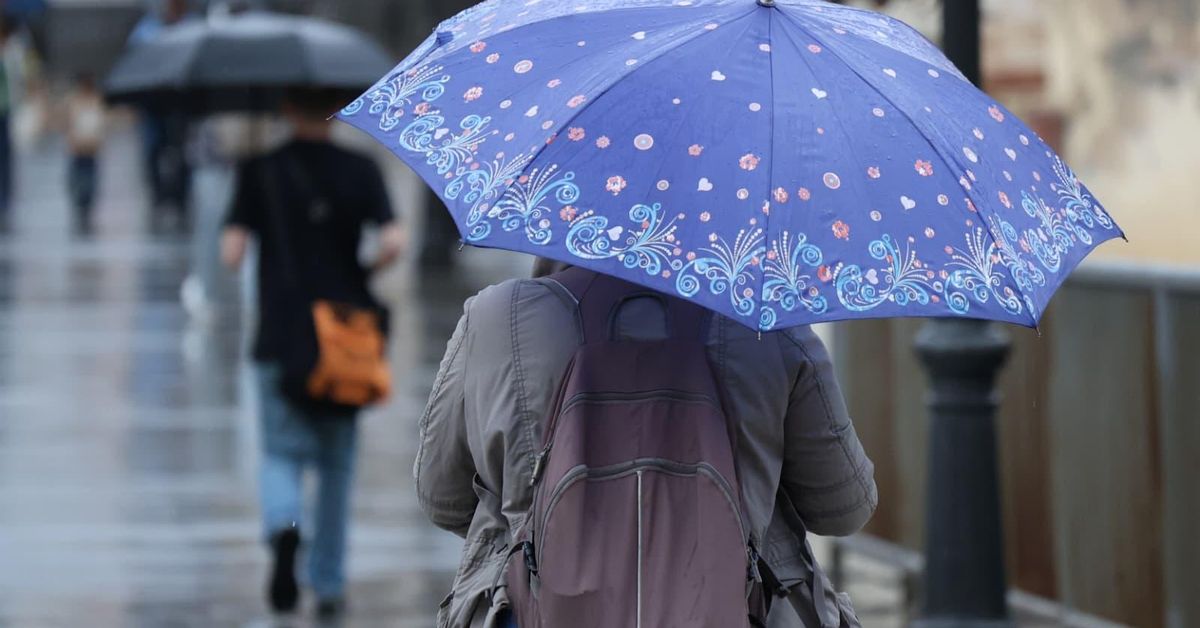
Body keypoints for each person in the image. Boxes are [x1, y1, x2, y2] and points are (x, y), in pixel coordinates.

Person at [418, 259, 877, 627]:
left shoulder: (497, 319)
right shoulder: (769, 324)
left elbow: (442, 498)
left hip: (530, 608)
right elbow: (843, 508)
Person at [220, 89, 405, 618]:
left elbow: (232, 255)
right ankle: (327, 579)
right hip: (343, 338)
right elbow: (393, 240)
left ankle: (283, 528)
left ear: (285, 108)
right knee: (336, 462)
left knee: (280, 451)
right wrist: (362, 272)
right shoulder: (361, 169)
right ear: (334, 108)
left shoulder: (258, 169)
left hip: (279, 335)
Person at [65, 74, 106, 234]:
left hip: (91, 149)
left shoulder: (96, 101)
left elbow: (101, 124)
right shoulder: (73, 101)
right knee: (76, 178)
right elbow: (66, 122)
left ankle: (87, 204)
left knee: (90, 179)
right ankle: (80, 202)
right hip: (77, 148)